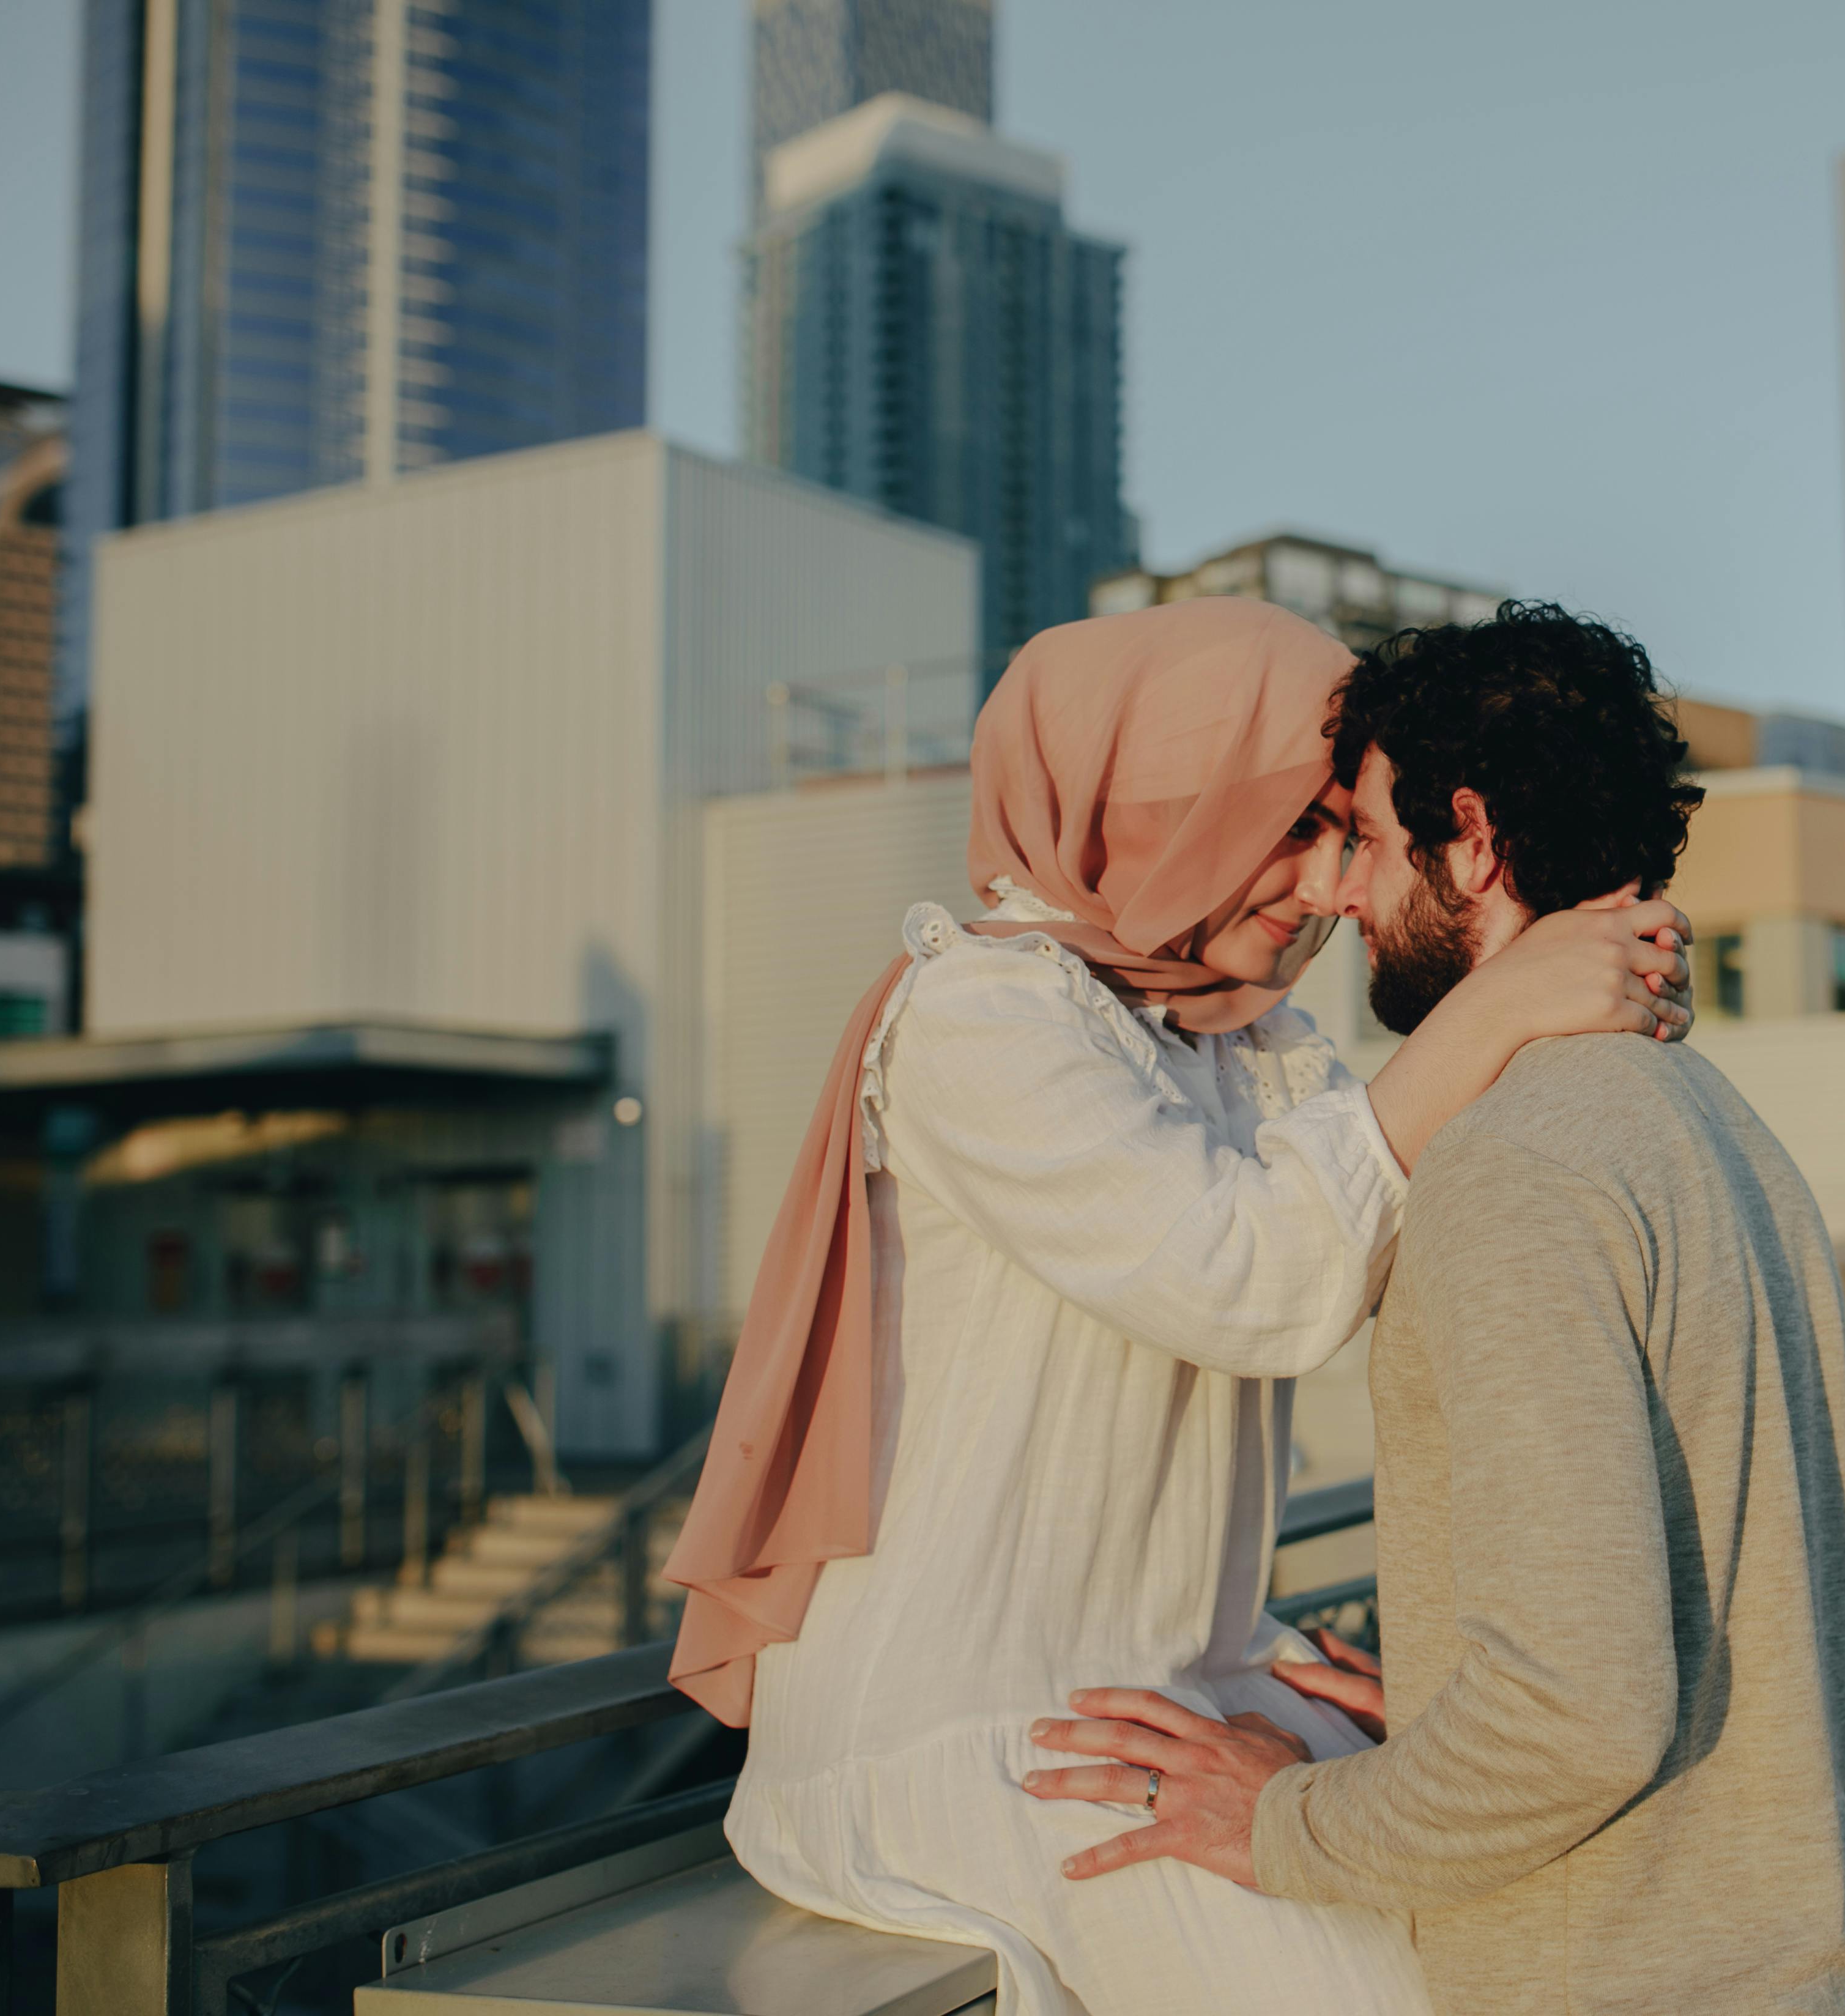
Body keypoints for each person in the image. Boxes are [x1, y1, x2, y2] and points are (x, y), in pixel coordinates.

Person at [663, 597, 1692, 2016]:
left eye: (1353, 832)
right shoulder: (981, 1020)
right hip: (973, 1725)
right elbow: (1251, 1278)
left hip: (1185, 1689)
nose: (1336, 886)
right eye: (1299, 826)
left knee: (1503, 1920)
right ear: (1157, 811)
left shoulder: (1253, 1043)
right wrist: (1499, 1005)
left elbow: (1425, 1223)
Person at [1023, 603, 1845, 2015]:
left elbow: (1579, 1715)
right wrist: (1442, 1721)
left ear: (1473, 838)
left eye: (1367, 840)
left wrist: (1283, 1824)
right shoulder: (1728, 1132)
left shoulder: (1512, 1169)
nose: (1345, 895)